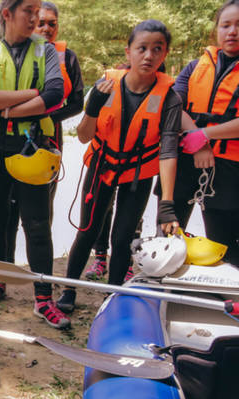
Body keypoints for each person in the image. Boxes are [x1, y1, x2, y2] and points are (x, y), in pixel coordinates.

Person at [57, 20, 181, 314]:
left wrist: (167, 202)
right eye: (142, 48)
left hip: (138, 174)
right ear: (129, 52)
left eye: (157, 49)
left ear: (164, 54)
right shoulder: (106, 87)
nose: (148, 55)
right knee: (87, 230)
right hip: (102, 166)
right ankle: (69, 289)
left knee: (123, 236)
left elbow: (168, 150)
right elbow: (85, 136)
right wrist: (93, 107)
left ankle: (112, 296)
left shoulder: (170, 98)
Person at [0, 0, 69, 328]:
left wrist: (10, 110)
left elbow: (55, 93)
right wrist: (31, 94)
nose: (35, 17)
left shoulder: (47, 51)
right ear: (7, 14)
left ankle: (43, 298)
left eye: (37, 10)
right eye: (28, 10)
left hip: (32, 147)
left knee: (37, 223)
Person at [2, 0, 84, 268]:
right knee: (7, 210)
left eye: (52, 24)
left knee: (39, 213)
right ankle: (5, 269)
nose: (46, 28)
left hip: (47, 139)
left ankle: (37, 271)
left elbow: (76, 103)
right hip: (10, 137)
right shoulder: (9, 52)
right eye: (41, 22)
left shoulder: (67, 57)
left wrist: (44, 115)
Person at [171, 0, 239, 266]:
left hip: (229, 168)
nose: (232, 31)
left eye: (238, 26)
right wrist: (198, 142)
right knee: (169, 233)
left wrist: (206, 135)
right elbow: (171, 105)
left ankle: (228, 300)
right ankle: (166, 294)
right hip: (187, 156)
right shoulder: (194, 66)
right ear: (216, 30)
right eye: (226, 25)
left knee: (223, 242)